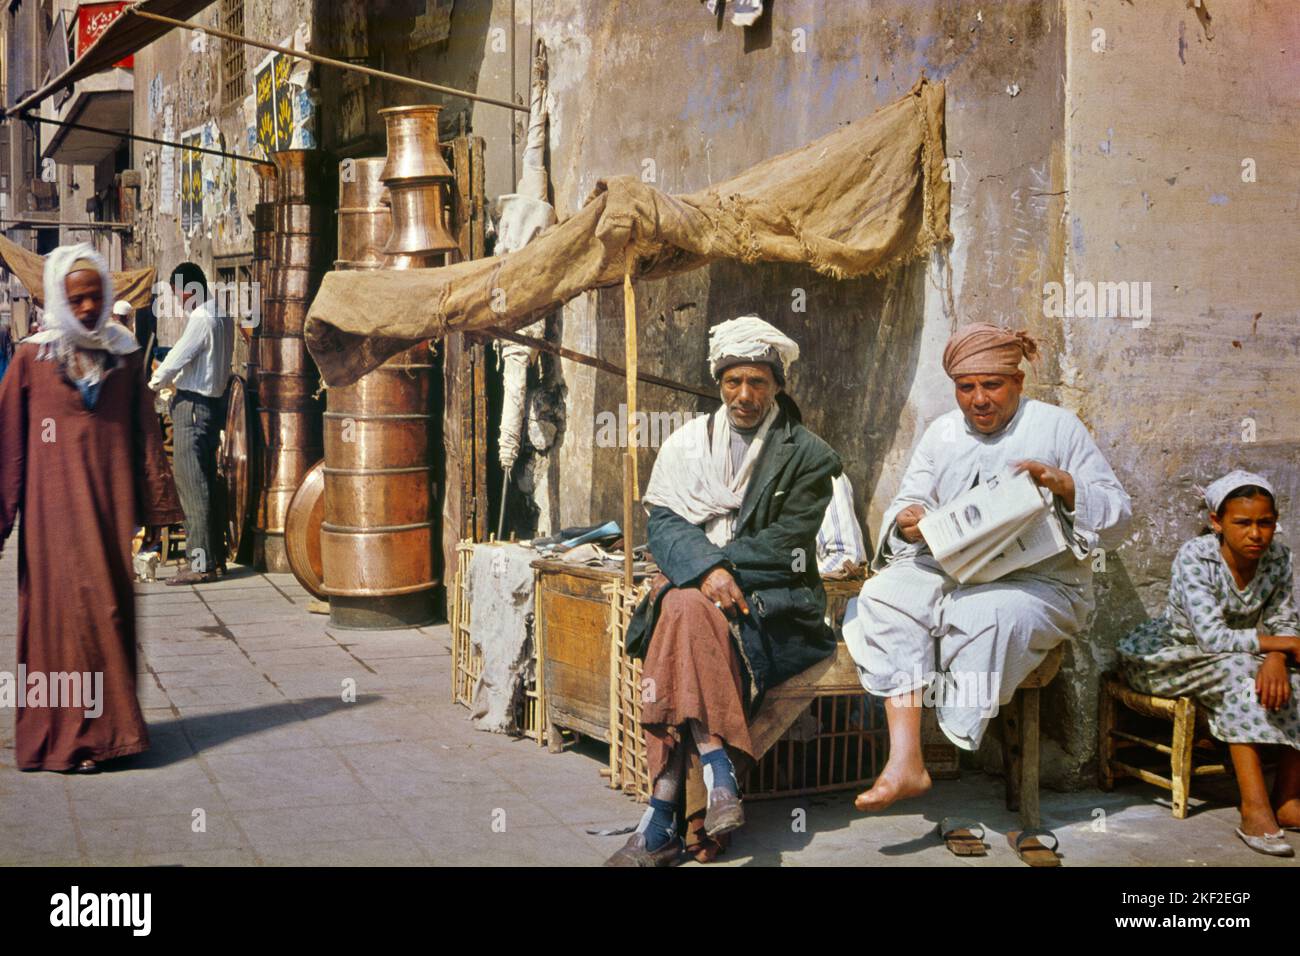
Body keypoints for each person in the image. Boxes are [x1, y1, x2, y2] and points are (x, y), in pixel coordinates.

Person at [841, 324, 1132, 840]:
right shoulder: (942, 434)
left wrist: (1065, 486)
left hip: (1041, 582)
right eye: (966, 386)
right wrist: (909, 519)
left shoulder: (1059, 428)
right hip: (954, 571)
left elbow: (1118, 514)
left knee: (982, 613)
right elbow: (910, 505)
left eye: (992, 386)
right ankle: (906, 759)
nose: (978, 400)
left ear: (1018, 382)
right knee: (884, 594)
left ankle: (957, 736)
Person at [604, 315, 841, 866]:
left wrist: (709, 567)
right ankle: (719, 777)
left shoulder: (808, 455)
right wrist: (706, 574)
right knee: (688, 606)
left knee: (680, 608)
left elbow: (788, 546)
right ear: (719, 383)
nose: (745, 394)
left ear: (777, 386)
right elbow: (662, 523)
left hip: (774, 609)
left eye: (758, 382)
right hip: (702, 600)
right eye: (734, 382)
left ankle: (660, 815)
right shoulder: (688, 445)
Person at [0, 244, 184, 772]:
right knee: (57, 622)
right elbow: (8, 443)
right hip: (50, 520)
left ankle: (109, 735)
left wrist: (159, 513)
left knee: (105, 614)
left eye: (94, 297)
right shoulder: (30, 360)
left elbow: (147, 437)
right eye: (75, 298)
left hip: (107, 513)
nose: (85, 308)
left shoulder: (124, 357)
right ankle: (60, 737)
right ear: (58, 299)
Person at [1118, 471, 1300, 857]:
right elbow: (1212, 639)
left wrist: (1278, 656)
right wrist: (1278, 645)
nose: (1256, 534)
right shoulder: (1196, 557)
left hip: (1245, 656)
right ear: (1217, 522)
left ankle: (1287, 799)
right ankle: (1253, 808)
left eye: (1265, 523)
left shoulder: (1279, 558)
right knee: (1238, 675)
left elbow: (1285, 622)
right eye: (1243, 523)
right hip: (1170, 657)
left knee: (1280, 673)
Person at [148, 262, 233, 584]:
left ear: (188, 289)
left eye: (176, 292)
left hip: (193, 407)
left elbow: (176, 358)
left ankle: (200, 564)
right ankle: (214, 558)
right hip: (211, 406)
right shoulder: (221, 314)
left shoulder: (201, 318)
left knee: (192, 488)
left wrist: (152, 386)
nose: (178, 299)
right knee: (206, 484)